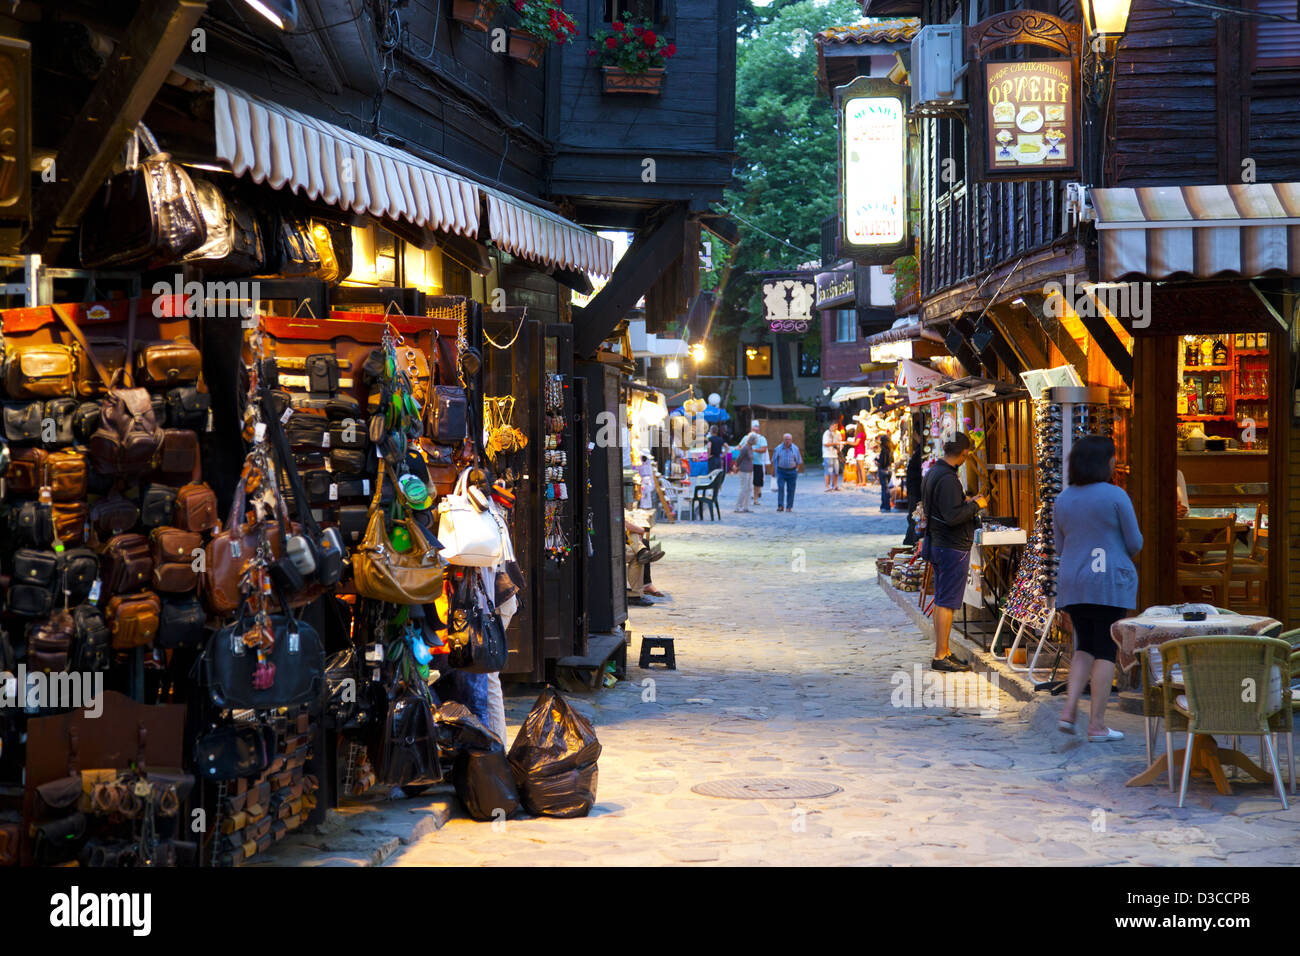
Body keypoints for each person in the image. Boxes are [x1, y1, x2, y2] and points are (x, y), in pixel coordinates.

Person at [1053, 435, 1142, 743]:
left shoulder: (1063, 499)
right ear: (1103, 462)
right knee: (1105, 650)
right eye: (1112, 457)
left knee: (1083, 647)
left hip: (1073, 582)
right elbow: (1135, 543)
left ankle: (1068, 710)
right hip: (1107, 583)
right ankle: (1097, 725)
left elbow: (1060, 546)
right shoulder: (1116, 496)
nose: (1115, 462)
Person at [920, 432, 987, 672]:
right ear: (964, 453)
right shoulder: (947, 478)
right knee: (946, 602)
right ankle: (940, 654)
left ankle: (945, 650)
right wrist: (974, 505)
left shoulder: (933, 472)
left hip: (939, 543)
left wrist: (966, 502)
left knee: (942, 599)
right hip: (950, 546)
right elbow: (952, 516)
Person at [903, 430, 926, 546]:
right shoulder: (920, 451)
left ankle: (911, 542)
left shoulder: (921, 451)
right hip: (915, 490)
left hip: (916, 490)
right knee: (913, 517)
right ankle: (910, 542)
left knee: (914, 518)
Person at [771, 432, 803, 513]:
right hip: (781, 471)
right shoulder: (778, 448)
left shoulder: (795, 448)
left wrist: (796, 470)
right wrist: (773, 471)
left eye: (789, 439)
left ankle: (789, 507)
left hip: (792, 472)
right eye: (786, 439)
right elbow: (774, 460)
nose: (787, 441)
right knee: (781, 488)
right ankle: (780, 506)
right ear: (783, 440)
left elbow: (799, 461)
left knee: (791, 490)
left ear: (791, 440)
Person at [732, 431, 755, 512]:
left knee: (749, 489)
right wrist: (736, 466)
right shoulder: (745, 448)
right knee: (743, 488)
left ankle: (746, 507)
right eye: (755, 440)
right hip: (744, 471)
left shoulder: (750, 447)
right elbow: (739, 458)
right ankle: (737, 507)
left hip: (750, 470)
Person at [750, 421, 769, 504]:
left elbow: (764, 449)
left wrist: (754, 450)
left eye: (757, 430)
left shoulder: (762, 438)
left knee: (758, 481)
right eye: (754, 430)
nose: (755, 432)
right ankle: (751, 497)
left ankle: (756, 497)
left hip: (758, 463)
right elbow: (740, 447)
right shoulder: (747, 438)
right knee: (749, 481)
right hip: (748, 463)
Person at [822, 420, 842, 491]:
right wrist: (834, 444)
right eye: (834, 426)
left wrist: (839, 448)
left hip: (835, 454)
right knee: (828, 471)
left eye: (836, 426)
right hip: (827, 454)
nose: (835, 427)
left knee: (836, 471)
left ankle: (835, 485)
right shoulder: (826, 433)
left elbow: (840, 442)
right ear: (830, 426)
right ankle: (827, 486)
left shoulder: (838, 433)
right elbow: (825, 444)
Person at [876, 433, 894, 512]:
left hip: (883, 471)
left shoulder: (883, 450)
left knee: (884, 489)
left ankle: (885, 506)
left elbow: (882, 462)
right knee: (886, 488)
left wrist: (877, 460)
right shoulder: (890, 450)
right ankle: (887, 505)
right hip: (889, 470)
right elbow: (892, 460)